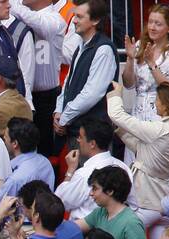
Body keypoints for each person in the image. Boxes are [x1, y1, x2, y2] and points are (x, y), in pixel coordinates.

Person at [105, 81, 169, 230]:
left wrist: (116, 94)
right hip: (164, 202)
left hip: (145, 203)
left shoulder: (159, 129)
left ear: (166, 105)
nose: (155, 103)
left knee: (116, 236)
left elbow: (116, 114)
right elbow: (143, 149)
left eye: (157, 100)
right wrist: (120, 129)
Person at [53, 0, 116, 140]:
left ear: (95, 20)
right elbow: (67, 84)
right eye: (75, 16)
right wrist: (58, 111)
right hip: (76, 130)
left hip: (93, 136)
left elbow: (92, 93)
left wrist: (64, 117)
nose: (74, 21)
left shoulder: (103, 50)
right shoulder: (80, 46)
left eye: (79, 17)